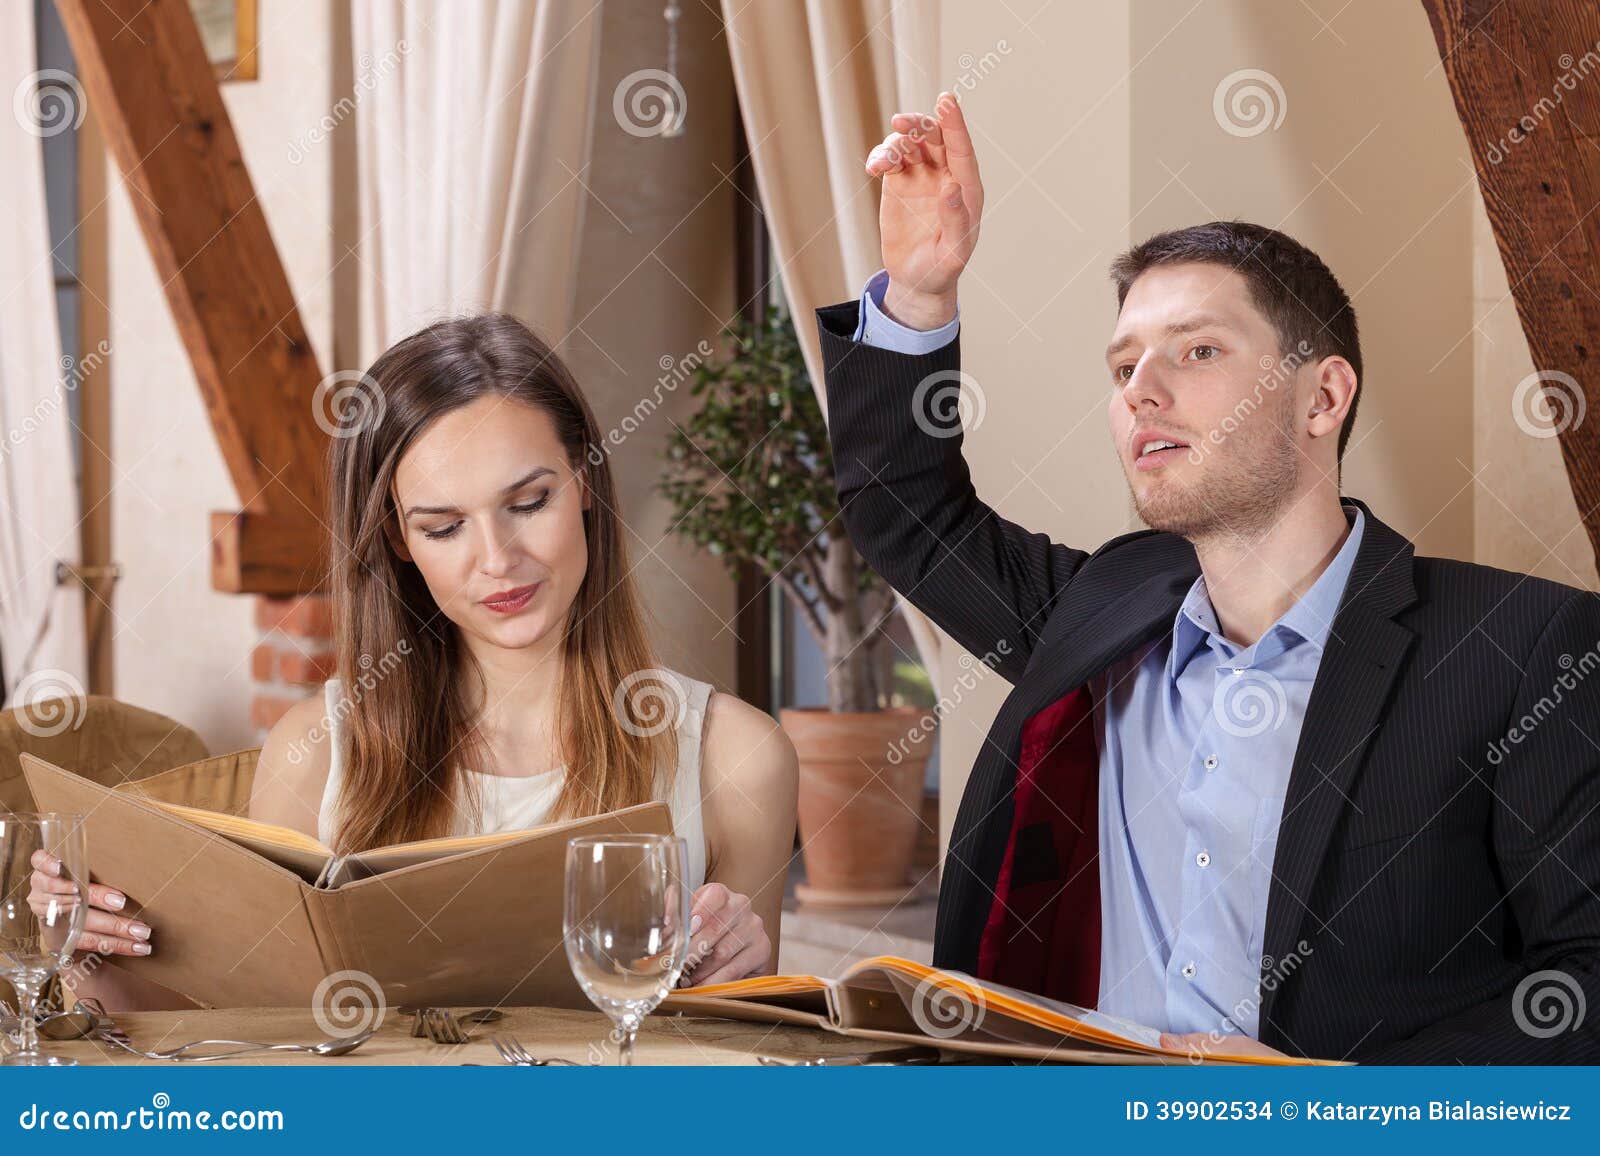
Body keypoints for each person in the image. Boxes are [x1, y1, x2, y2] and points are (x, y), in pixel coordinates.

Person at [818, 91, 1600, 1062]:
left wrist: (1333, 1105)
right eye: (1122, 366)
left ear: (1322, 396)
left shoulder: (1524, 650)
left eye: (1197, 350)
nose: (1142, 387)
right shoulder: (1100, 607)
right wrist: (920, 295)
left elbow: (1583, 979)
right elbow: (906, 515)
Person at [32, 313, 797, 1011]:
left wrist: (747, 976)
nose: (498, 561)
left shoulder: (736, 757)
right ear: (398, 540)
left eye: (528, 503)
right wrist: (94, 950)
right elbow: (249, 1040)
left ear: (585, 483)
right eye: (443, 527)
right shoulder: (316, 751)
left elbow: (746, 1056)